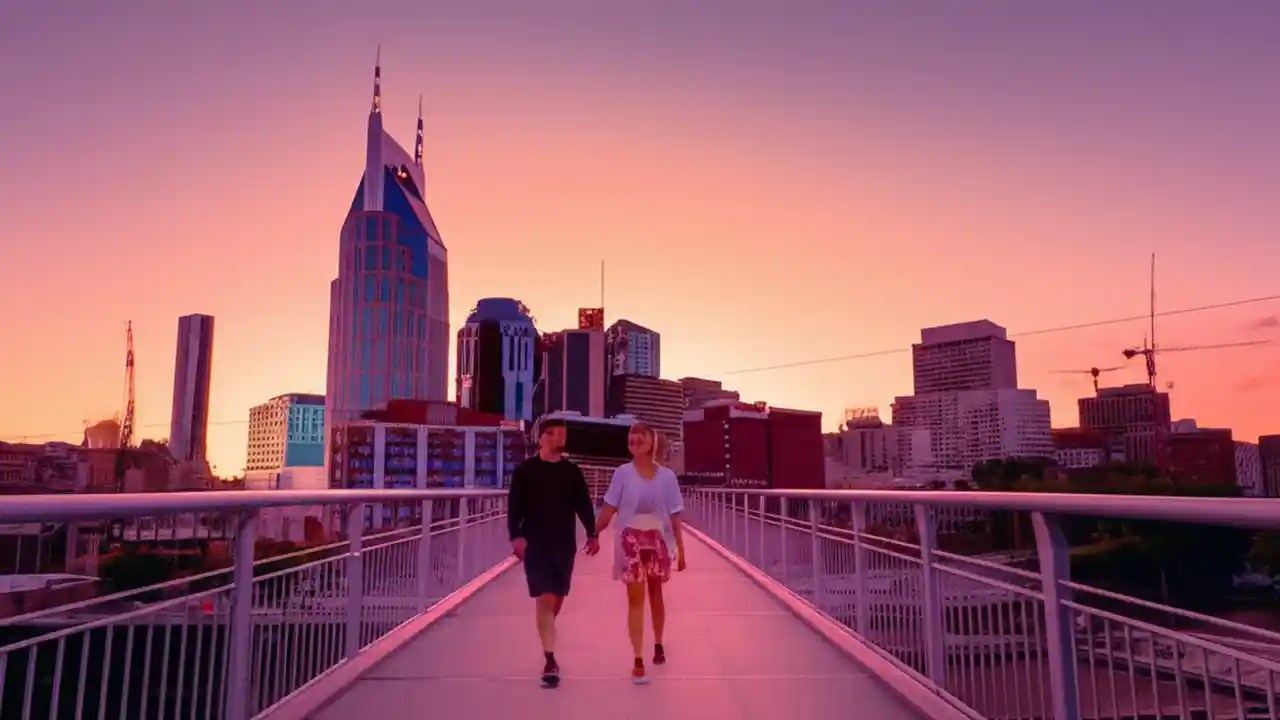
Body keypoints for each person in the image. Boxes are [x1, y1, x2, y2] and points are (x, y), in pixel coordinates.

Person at [507, 418, 601, 688]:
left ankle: (546, 631)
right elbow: (515, 507)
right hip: (536, 545)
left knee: (556, 599)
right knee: (546, 597)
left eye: (562, 435)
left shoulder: (571, 472)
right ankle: (550, 659)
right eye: (554, 434)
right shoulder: (525, 471)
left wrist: (593, 534)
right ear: (542, 438)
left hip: (564, 544)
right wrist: (516, 537)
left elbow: (583, 504)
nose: (559, 439)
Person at [594, 422, 687, 684]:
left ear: (650, 444)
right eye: (631, 441)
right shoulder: (622, 474)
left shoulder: (667, 477)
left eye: (639, 441)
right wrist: (595, 532)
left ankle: (657, 642)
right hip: (630, 540)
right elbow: (609, 507)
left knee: (656, 594)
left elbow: (675, 514)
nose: (634, 445)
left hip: (659, 541)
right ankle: (638, 658)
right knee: (635, 599)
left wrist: (681, 549)